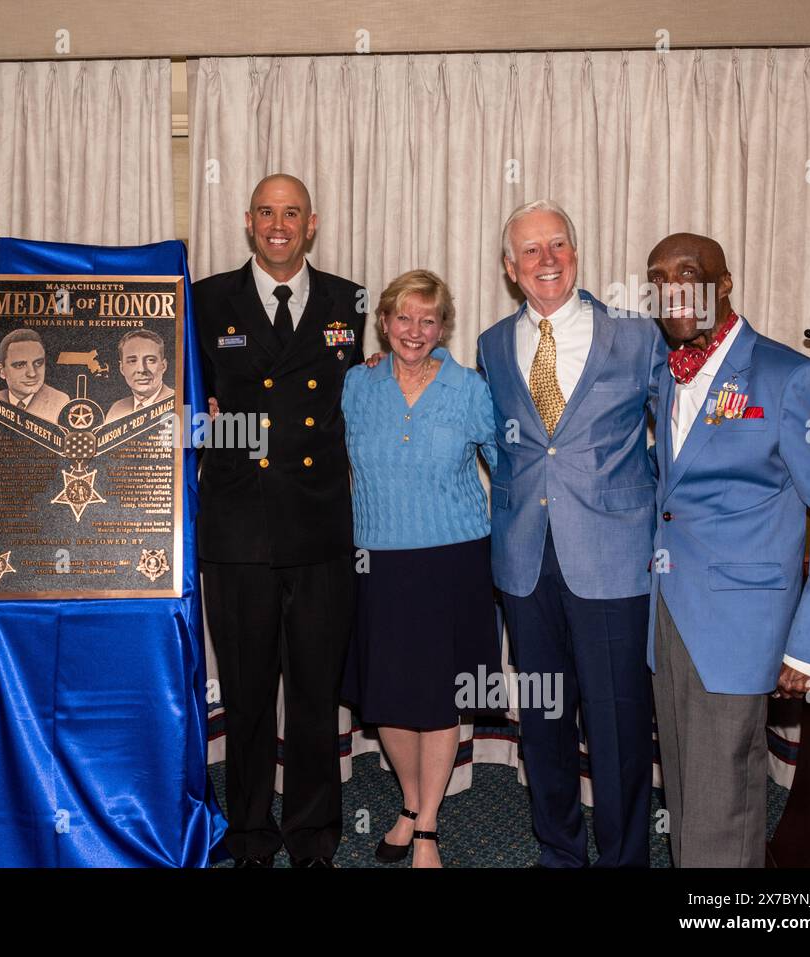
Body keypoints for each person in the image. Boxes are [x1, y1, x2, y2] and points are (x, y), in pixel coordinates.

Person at [646, 232, 810, 867]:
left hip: (743, 627)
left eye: (689, 272)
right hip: (669, 616)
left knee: (722, 810)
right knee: (689, 796)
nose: (671, 288)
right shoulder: (665, 370)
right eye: (657, 277)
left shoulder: (791, 378)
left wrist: (808, 646)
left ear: (726, 282)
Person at [476, 199, 667, 868]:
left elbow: (674, 437)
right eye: (531, 250)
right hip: (525, 564)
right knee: (544, 723)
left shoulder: (637, 335)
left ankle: (623, 858)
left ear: (576, 254)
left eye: (557, 245)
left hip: (614, 561)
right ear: (510, 267)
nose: (546, 259)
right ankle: (559, 851)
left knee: (618, 728)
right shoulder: (493, 344)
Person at [195, 173, 365, 868]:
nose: (278, 223)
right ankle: (250, 833)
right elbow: (174, 401)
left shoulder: (348, 300)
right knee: (247, 694)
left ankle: (315, 832)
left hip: (321, 529)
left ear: (311, 223)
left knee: (315, 694)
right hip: (237, 531)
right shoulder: (206, 300)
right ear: (247, 220)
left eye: (291, 212)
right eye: (266, 211)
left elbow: (375, 382)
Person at [340, 270, 497, 868]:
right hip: (376, 559)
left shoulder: (468, 389)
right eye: (403, 318)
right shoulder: (357, 383)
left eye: (427, 319)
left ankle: (427, 822)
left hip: (453, 559)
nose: (414, 330)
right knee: (389, 696)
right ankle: (408, 803)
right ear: (383, 323)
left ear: (442, 327)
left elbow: (507, 464)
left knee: (440, 698)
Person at [0, 328, 70, 420]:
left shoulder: (60, 402)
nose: (32, 374)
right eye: (20, 365)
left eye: (38, 363)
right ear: (1, 371)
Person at [104, 329, 174, 421]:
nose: (141, 369)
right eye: (132, 361)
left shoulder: (181, 403)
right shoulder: (116, 410)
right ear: (122, 368)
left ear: (163, 366)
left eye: (150, 360)